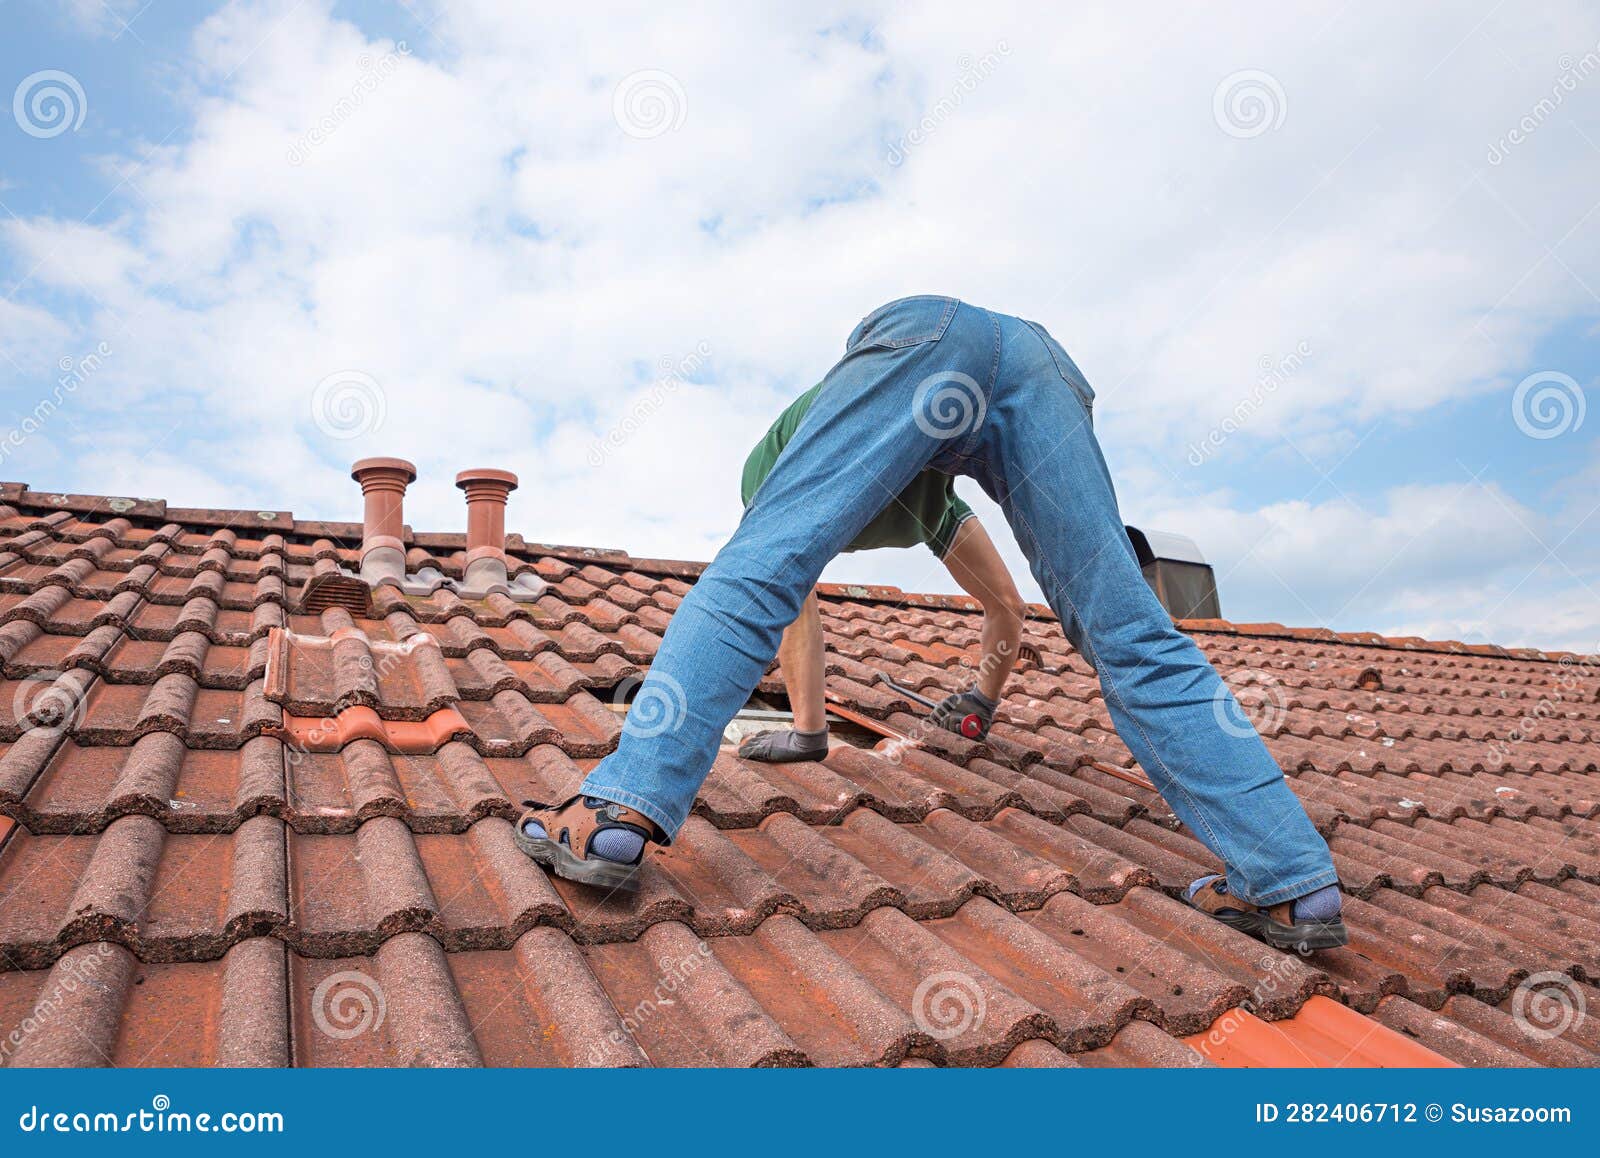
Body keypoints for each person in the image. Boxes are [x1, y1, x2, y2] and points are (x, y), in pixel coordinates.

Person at [515, 295, 1346, 950]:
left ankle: (618, 811)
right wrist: (825, 726)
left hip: (928, 336)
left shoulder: (834, 459)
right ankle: (1292, 879)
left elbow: (782, 590)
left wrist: (963, 703)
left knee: (756, 569)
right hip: (1042, 362)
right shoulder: (906, 480)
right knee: (1128, 628)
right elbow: (984, 600)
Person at [732, 379, 1027, 765]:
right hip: (838, 481)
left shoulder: (931, 498)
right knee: (788, 582)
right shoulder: (929, 501)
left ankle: (808, 731)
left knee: (789, 582)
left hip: (904, 490)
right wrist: (980, 702)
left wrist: (979, 703)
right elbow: (1008, 607)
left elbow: (1008, 607)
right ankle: (809, 732)